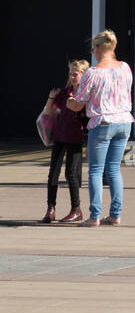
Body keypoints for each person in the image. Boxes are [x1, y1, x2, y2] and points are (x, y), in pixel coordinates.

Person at [67, 30, 133, 227]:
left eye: (93, 48)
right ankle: (115, 214)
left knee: (95, 170)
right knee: (114, 169)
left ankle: (94, 216)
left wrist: (69, 102)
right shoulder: (125, 68)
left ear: (98, 48)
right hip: (124, 121)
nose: (93, 52)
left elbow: (79, 104)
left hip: (102, 122)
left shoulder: (93, 73)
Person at [39, 58, 89, 223]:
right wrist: (51, 97)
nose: (72, 77)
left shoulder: (85, 94)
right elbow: (48, 112)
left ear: (83, 74)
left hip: (75, 137)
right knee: (53, 174)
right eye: (71, 74)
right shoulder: (65, 92)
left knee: (71, 174)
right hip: (60, 136)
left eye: (76, 74)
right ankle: (50, 209)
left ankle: (76, 210)